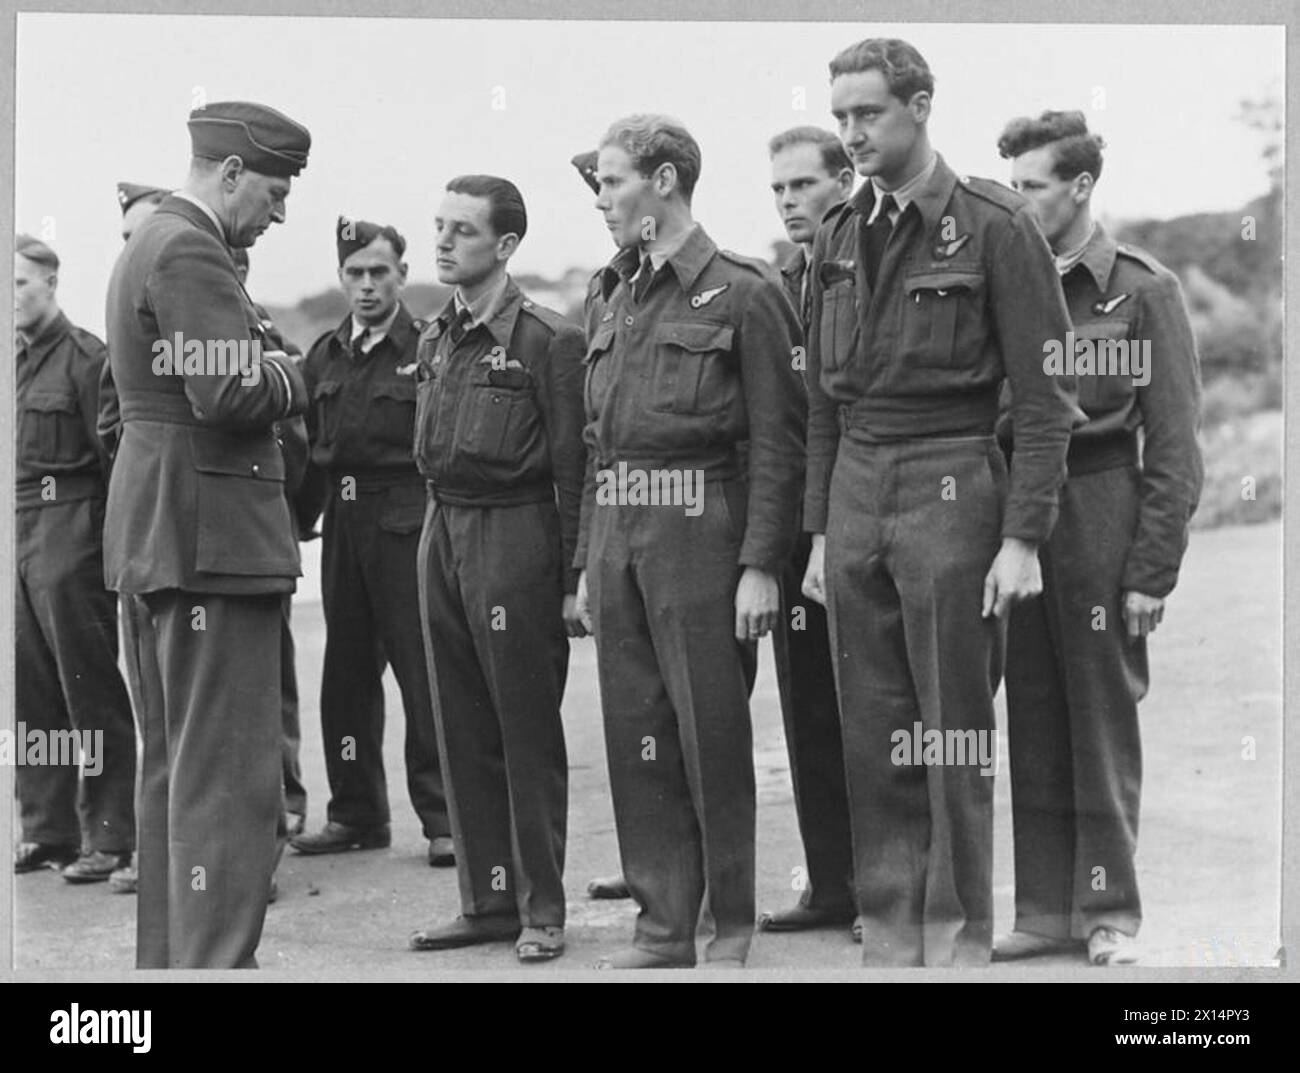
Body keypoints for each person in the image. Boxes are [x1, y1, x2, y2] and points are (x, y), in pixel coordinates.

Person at [801, 39, 1081, 967]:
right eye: (840, 117)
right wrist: (816, 534)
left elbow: (1046, 404)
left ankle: (957, 947)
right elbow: (819, 405)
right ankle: (892, 941)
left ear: (920, 107)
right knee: (873, 733)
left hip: (953, 481)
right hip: (856, 490)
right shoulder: (837, 232)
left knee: (953, 727)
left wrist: (1023, 538)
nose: (851, 135)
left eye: (868, 114)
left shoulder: (997, 225)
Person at [576, 115, 806, 969]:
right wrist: (591, 564)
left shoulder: (745, 291)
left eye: (613, 181)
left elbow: (782, 444)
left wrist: (760, 566)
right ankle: (662, 925)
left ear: (664, 181)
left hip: (702, 526)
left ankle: (732, 925)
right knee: (636, 733)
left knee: (711, 734)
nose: (601, 199)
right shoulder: (612, 292)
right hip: (620, 527)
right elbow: (594, 440)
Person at [104, 100, 311, 968]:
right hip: (210, 543)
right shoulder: (190, 247)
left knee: (176, 775)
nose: (280, 210)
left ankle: (173, 969)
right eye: (273, 189)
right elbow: (226, 394)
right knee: (227, 784)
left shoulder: (146, 242)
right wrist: (294, 375)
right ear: (229, 174)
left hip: (163, 536)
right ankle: (214, 966)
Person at [993, 111, 1203, 966]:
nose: (1018, 202)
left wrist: (1152, 569)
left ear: (1080, 187)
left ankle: (1109, 910)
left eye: (1032, 185)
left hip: (1101, 507)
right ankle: (1045, 909)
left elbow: (1177, 445)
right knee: (1034, 711)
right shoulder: (1006, 278)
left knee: (1101, 718)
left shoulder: (1143, 291)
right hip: (1022, 513)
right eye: (1010, 186)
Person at [407, 175, 586, 963]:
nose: (442, 242)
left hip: (515, 532)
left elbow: (579, 470)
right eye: (439, 227)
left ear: (506, 246)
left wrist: (577, 575)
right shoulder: (436, 334)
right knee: (460, 720)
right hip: (440, 524)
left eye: (462, 231)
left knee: (522, 723)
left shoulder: (548, 339)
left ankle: (542, 907)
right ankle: (486, 898)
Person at [290, 218, 452, 867]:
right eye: (354, 273)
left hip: (407, 520)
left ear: (402, 276)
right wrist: (301, 521)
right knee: (346, 674)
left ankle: (444, 817)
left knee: (423, 671)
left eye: (378, 272)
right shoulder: (325, 354)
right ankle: (357, 812)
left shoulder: (429, 347)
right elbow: (308, 452)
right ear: (341, 278)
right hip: (343, 523)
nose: (365, 285)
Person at [756, 126, 857, 937]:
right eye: (778, 190)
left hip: (861, 507)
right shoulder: (781, 278)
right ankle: (831, 883)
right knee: (808, 707)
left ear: (844, 179)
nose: (789, 201)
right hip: (795, 517)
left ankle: (886, 886)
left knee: (875, 704)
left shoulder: (864, 255)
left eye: (802, 185)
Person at [13, 235, 137, 884]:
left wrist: (105, 548)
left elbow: (112, 457)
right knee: (28, 693)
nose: (12, 298)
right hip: (19, 529)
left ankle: (109, 832)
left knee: (88, 686)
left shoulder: (88, 358)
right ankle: (48, 827)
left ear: (52, 284)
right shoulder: (12, 362)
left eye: (21, 284)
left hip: (72, 531)